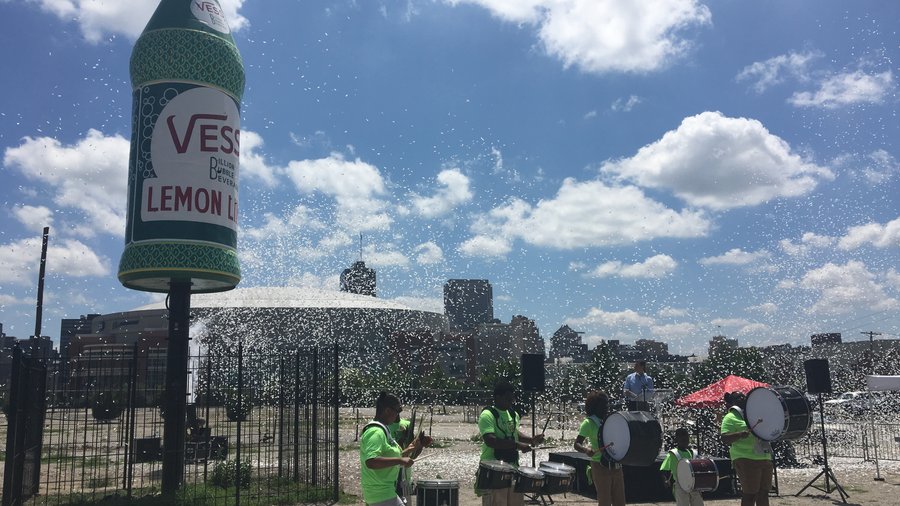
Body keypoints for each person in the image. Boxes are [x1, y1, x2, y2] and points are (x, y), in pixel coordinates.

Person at [478, 381, 544, 506]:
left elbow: (513, 432)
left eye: (512, 399)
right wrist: (517, 445)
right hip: (493, 470)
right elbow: (491, 440)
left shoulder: (513, 414)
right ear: (498, 397)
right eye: (508, 399)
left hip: (512, 468)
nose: (511, 402)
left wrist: (531, 440)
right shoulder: (487, 415)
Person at [360, 392, 431, 506]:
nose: (398, 415)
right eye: (398, 411)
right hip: (380, 495)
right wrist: (400, 461)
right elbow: (371, 461)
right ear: (388, 411)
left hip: (386, 493)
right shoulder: (375, 432)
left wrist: (409, 449)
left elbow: (387, 455)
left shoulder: (383, 429)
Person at [720, 392, 773, 506]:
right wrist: (739, 434)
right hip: (745, 458)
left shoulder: (753, 414)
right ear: (732, 402)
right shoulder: (730, 417)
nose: (743, 398)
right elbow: (724, 438)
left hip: (764, 456)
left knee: (763, 492)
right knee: (751, 493)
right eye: (739, 397)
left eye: (743, 396)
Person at [574, 390, 625, 506]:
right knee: (605, 500)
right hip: (599, 465)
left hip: (616, 464)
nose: (607, 407)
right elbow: (577, 444)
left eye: (607, 404)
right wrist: (586, 450)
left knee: (620, 501)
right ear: (595, 407)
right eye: (604, 405)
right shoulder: (588, 423)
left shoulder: (610, 420)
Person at [660, 427, 704, 506]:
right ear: (677, 440)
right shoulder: (672, 454)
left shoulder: (693, 453)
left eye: (686, 440)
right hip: (680, 485)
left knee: (698, 503)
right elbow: (664, 469)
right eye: (682, 440)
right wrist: (665, 480)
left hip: (693, 484)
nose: (685, 442)